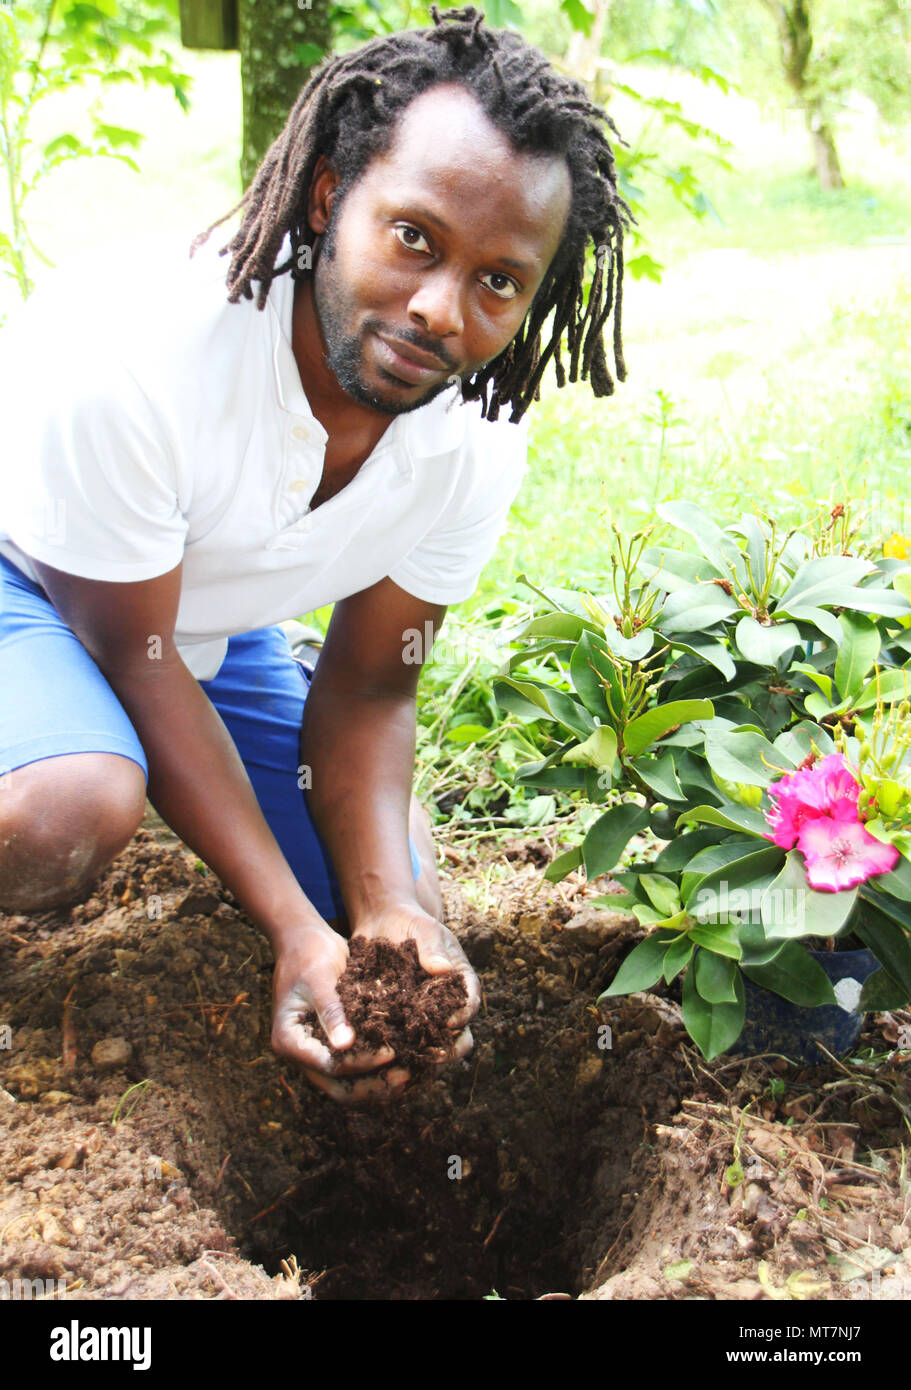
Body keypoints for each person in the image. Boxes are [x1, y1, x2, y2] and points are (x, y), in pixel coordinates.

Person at [0, 5, 629, 1101]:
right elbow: (138, 660)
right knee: (68, 808)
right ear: (332, 195)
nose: (439, 310)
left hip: (185, 608)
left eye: (497, 282)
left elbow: (375, 685)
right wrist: (290, 928)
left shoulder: (474, 438)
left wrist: (387, 914)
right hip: (37, 571)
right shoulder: (144, 353)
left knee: (386, 908)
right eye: (415, 238)